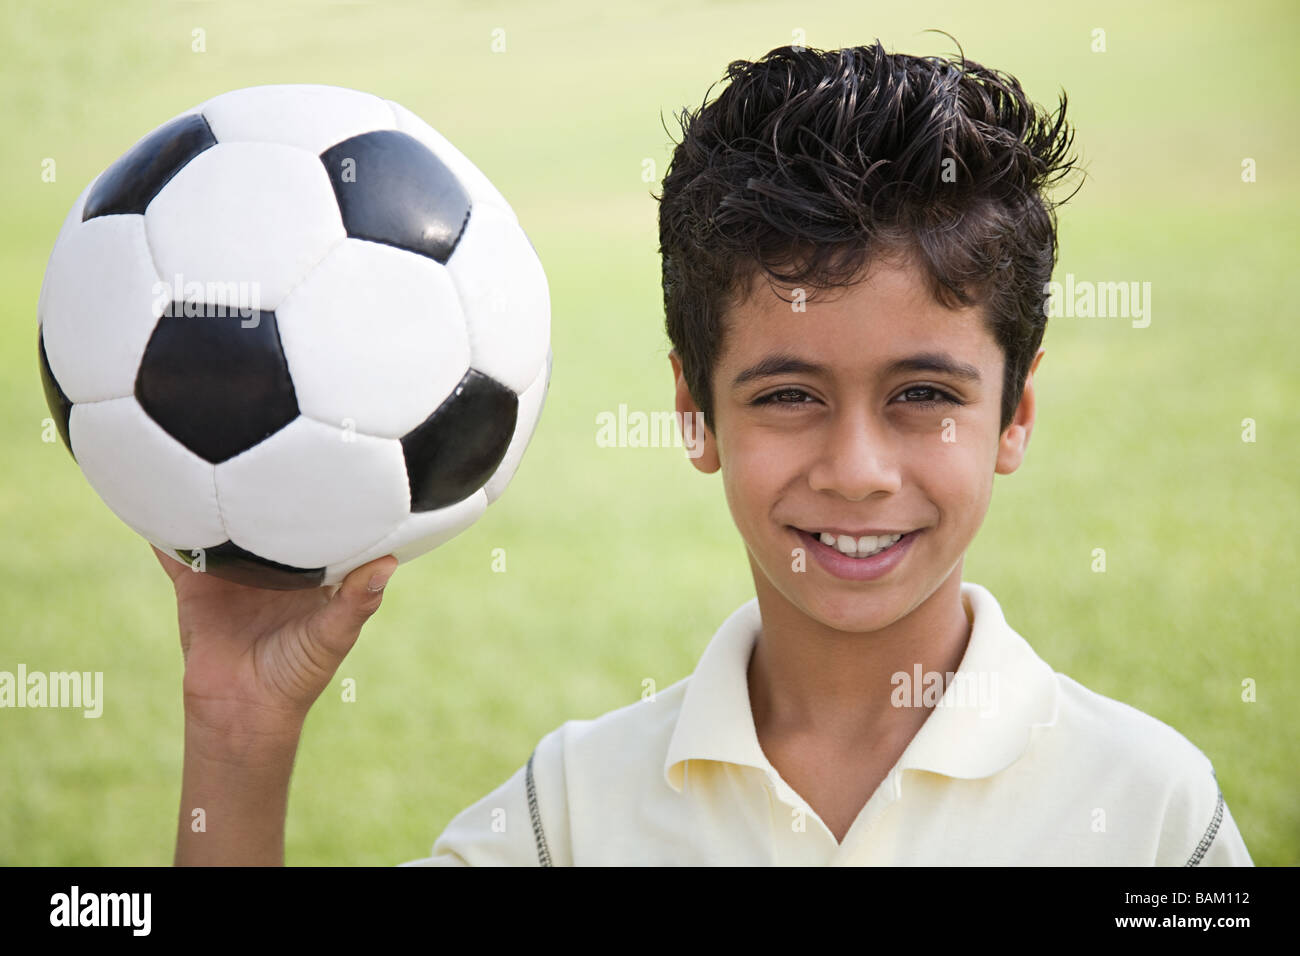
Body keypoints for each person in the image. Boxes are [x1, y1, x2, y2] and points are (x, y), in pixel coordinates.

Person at [162, 40, 1252, 866]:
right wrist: (239, 724)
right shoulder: (575, 815)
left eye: (924, 394)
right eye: (788, 394)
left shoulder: (1151, 814)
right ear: (694, 410)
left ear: (1015, 411)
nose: (858, 468)